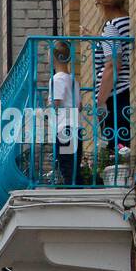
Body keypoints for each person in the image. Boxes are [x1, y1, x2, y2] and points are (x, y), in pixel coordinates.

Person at [93, 0, 132, 156]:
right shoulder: (128, 23)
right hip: (126, 93)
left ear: (104, 5)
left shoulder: (111, 27)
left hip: (116, 96)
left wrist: (100, 101)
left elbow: (112, 65)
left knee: (116, 148)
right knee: (122, 146)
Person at [50, 41, 81, 185]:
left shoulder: (57, 79)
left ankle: (70, 188)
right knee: (74, 163)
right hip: (77, 126)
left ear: (53, 57)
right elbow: (79, 105)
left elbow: (56, 103)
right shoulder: (73, 80)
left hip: (64, 127)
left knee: (65, 163)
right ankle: (74, 185)